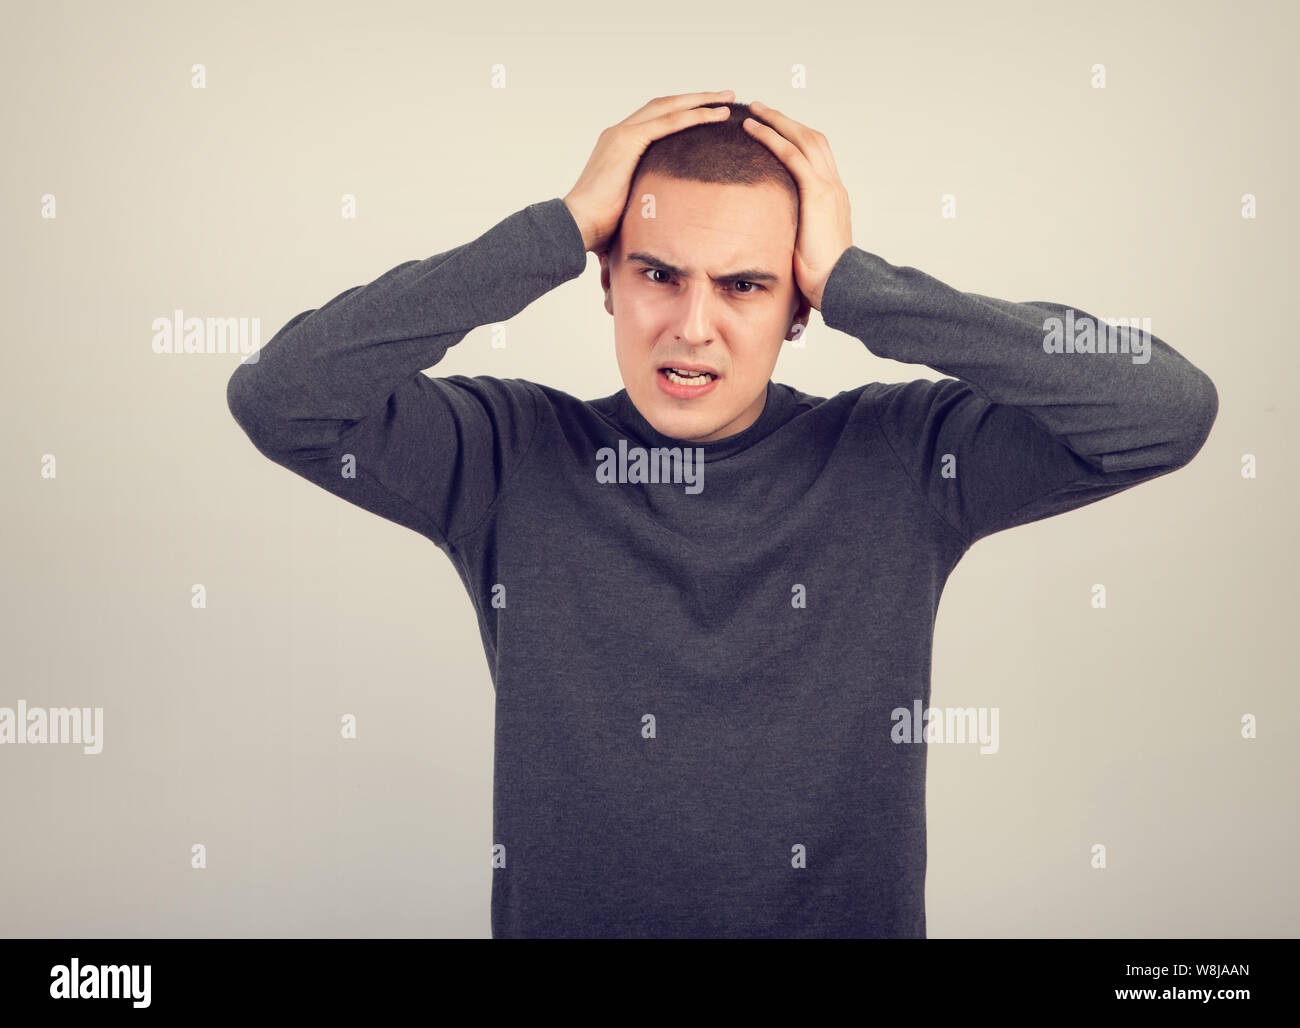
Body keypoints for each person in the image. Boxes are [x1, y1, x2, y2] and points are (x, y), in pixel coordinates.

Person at [226, 91, 1218, 938]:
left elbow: (1163, 409)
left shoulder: (903, 459)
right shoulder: (508, 456)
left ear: (798, 306)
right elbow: (283, 398)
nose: (691, 326)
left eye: (745, 284)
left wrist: (863, 287)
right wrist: (558, 226)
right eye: (658, 271)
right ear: (607, 279)